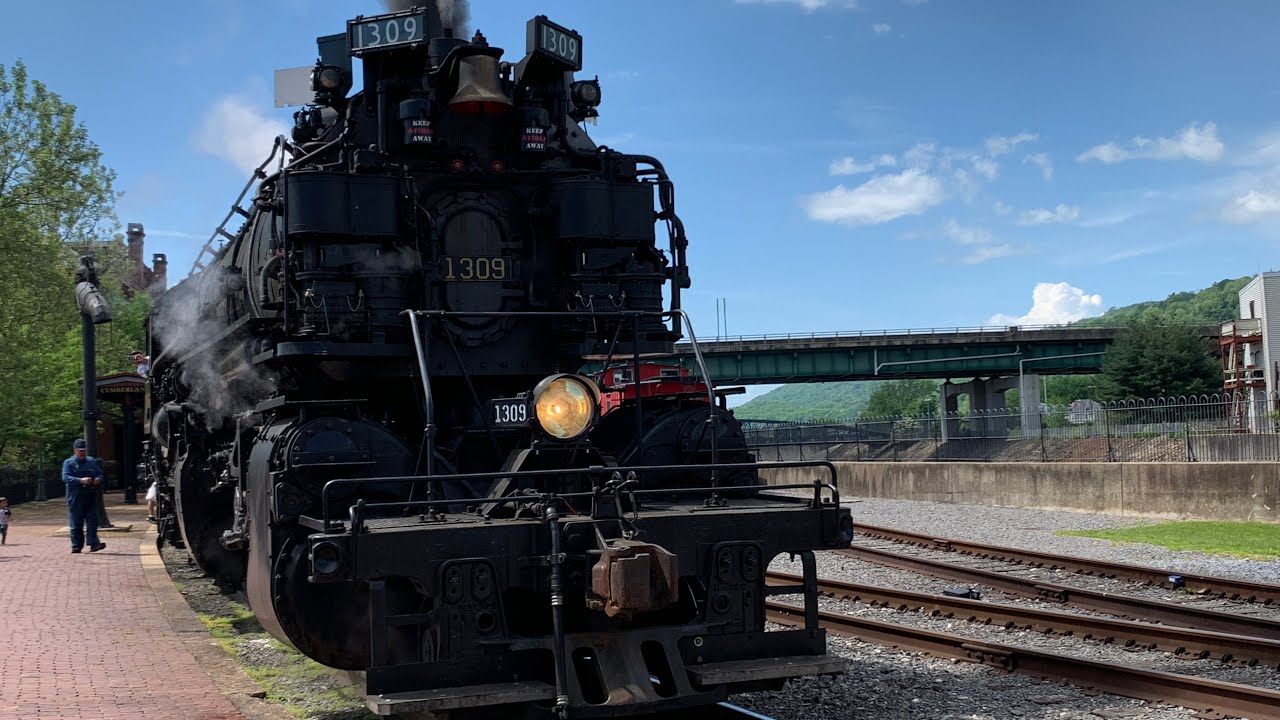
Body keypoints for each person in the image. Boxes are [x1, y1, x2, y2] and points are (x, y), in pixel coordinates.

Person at [62, 439, 106, 554]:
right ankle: (76, 546)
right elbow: (65, 477)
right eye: (80, 451)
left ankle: (94, 544)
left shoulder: (91, 461)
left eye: (84, 451)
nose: (82, 453)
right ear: (75, 450)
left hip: (90, 495)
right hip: (75, 496)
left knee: (92, 520)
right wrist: (80, 480)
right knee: (76, 522)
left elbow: (100, 474)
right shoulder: (69, 463)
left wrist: (98, 479)